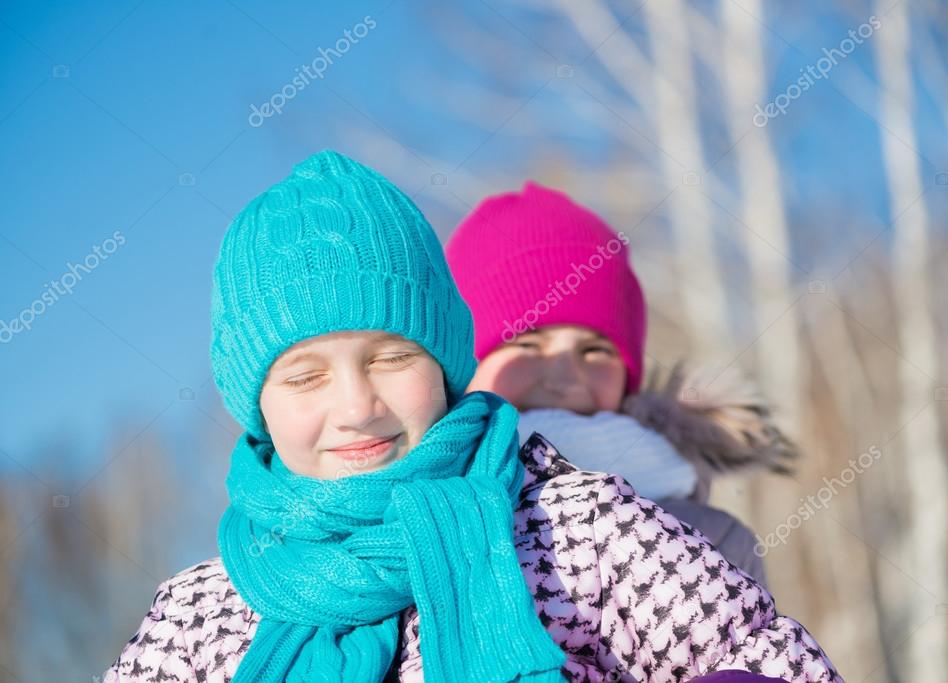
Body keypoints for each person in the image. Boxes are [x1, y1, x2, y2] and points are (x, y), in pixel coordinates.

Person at [103, 151, 841, 682]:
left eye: (391, 357)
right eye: (304, 375)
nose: (356, 405)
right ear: (252, 405)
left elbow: (759, 653)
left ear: (448, 364)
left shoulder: (577, 528)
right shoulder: (203, 609)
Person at [445, 181, 799, 587]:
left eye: (595, 350)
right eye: (526, 343)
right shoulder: (409, 510)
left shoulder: (705, 539)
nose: (565, 377)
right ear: (462, 365)